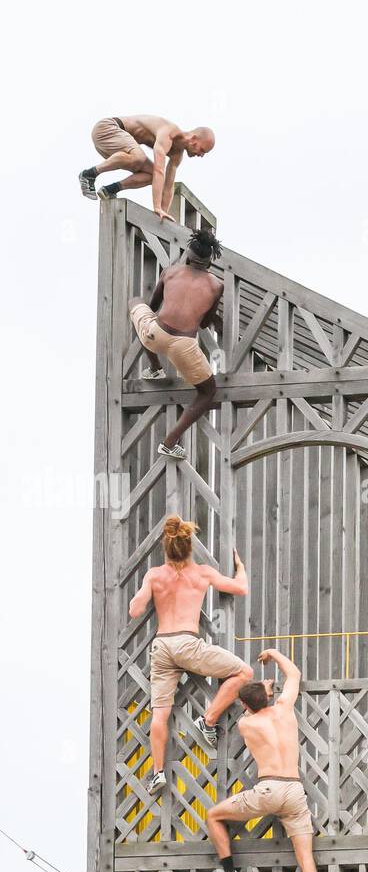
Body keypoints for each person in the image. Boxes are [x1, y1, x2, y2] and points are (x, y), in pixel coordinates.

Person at [205, 649, 327, 872]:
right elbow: (294, 674)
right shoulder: (284, 709)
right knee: (305, 857)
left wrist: (261, 692)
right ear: (270, 698)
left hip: (268, 789)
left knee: (213, 815)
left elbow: (251, 709)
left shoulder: (246, 724)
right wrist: (274, 654)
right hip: (295, 791)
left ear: (245, 704)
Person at [128, 515, 252, 794]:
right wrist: (240, 567)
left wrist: (143, 594)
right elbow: (240, 587)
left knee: (160, 713)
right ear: (189, 547)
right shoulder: (202, 573)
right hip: (187, 643)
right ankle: (208, 720)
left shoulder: (155, 574)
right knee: (245, 672)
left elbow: (135, 610)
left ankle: (158, 772)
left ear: (167, 547)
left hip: (161, 647)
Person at [128, 226, 224, 459]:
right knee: (207, 391)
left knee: (136, 304)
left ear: (188, 255)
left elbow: (152, 306)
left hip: (155, 335)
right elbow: (203, 324)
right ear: (210, 261)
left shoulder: (170, 272)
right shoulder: (216, 285)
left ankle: (154, 368)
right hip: (184, 346)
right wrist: (217, 321)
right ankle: (170, 442)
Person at [79, 115, 215, 220]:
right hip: (107, 128)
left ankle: (110, 190)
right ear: (193, 139)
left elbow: (168, 186)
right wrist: (156, 207)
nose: (201, 155)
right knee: (139, 158)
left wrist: (163, 214)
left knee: (151, 176)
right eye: (202, 150)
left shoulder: (177, 155)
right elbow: (159, 170)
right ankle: (89, 174)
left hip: (115, 144)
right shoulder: (169, 133)